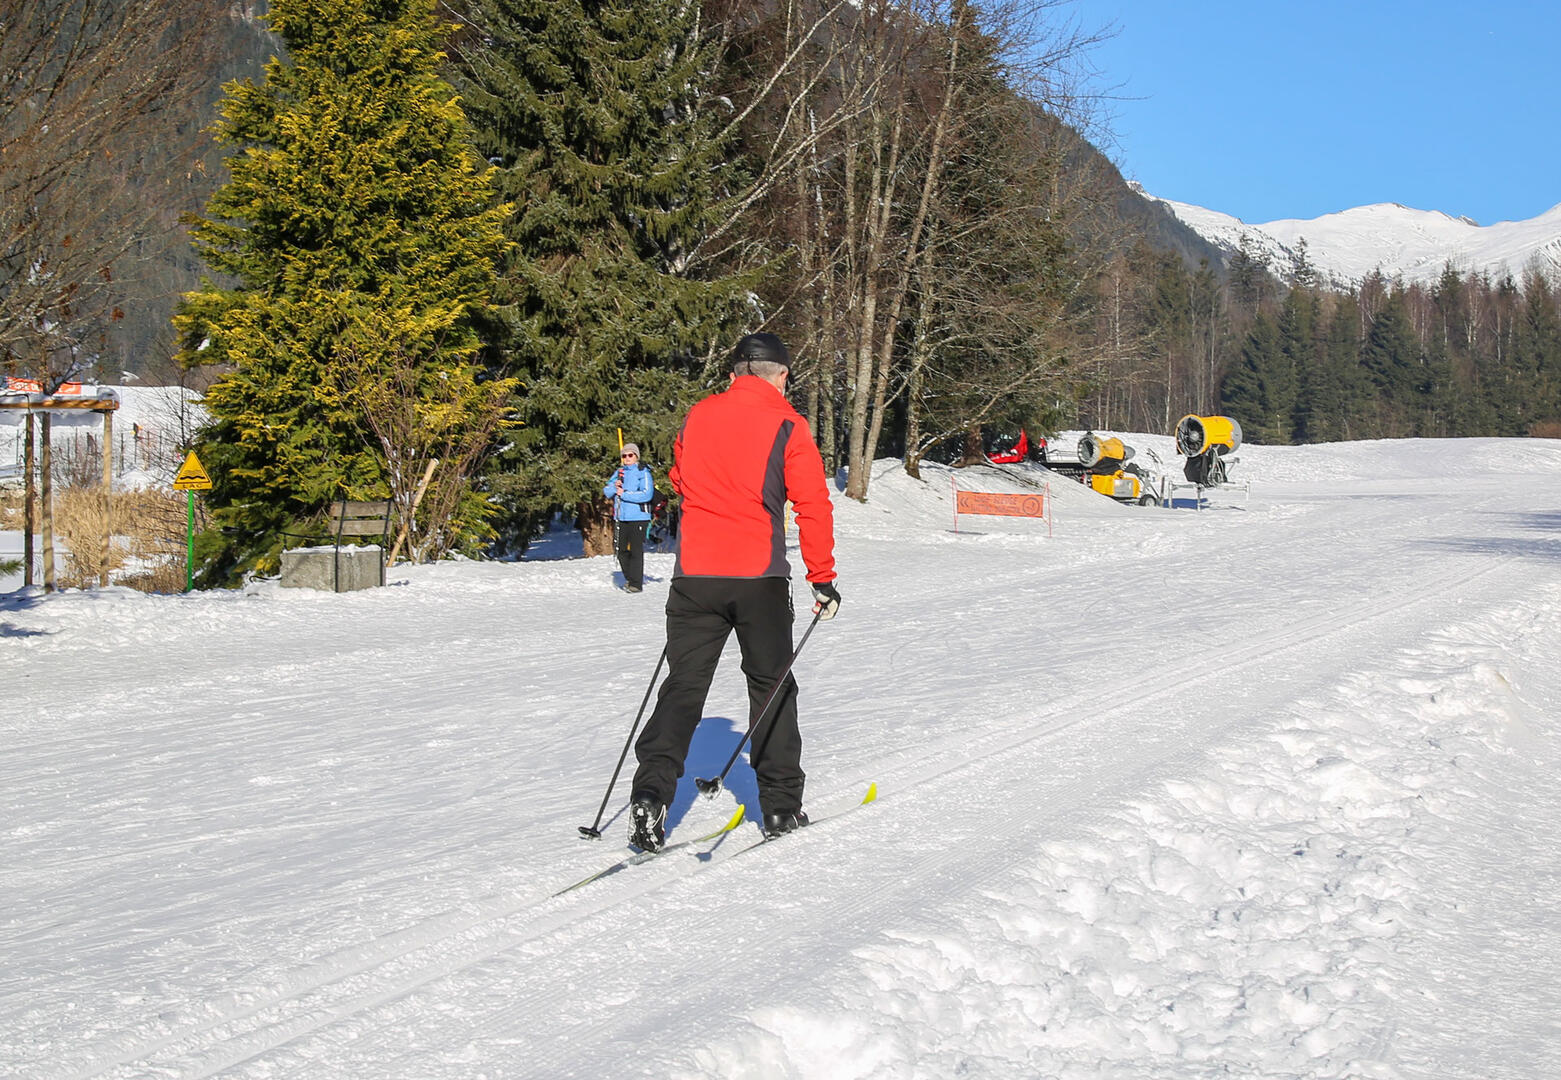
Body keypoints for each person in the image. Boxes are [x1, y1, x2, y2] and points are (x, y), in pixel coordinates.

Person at [628, 332, 841, 851]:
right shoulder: (790, 425)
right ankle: (781, 808)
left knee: (683, 687)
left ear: (733, 375)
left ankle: (651, 796)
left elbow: (680, 477)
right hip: (758, 578)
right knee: (771, 687)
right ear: (782, 376)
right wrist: (822, 577)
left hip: (695, 577)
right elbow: (813, 504)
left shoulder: (698, 416)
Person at [603, 443, 655, 592]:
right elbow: (607, 490)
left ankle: (636, 584)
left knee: (636, 551)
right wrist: (615, 486)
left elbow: (647, 494)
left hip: (638, 516)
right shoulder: (619, 472)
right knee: (619, 550)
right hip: (621, 516)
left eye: (630, 455)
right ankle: (630, 577)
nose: (627, 458)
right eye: (624, 455)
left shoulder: (643, 472)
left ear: (636, 456)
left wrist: (624, 494)